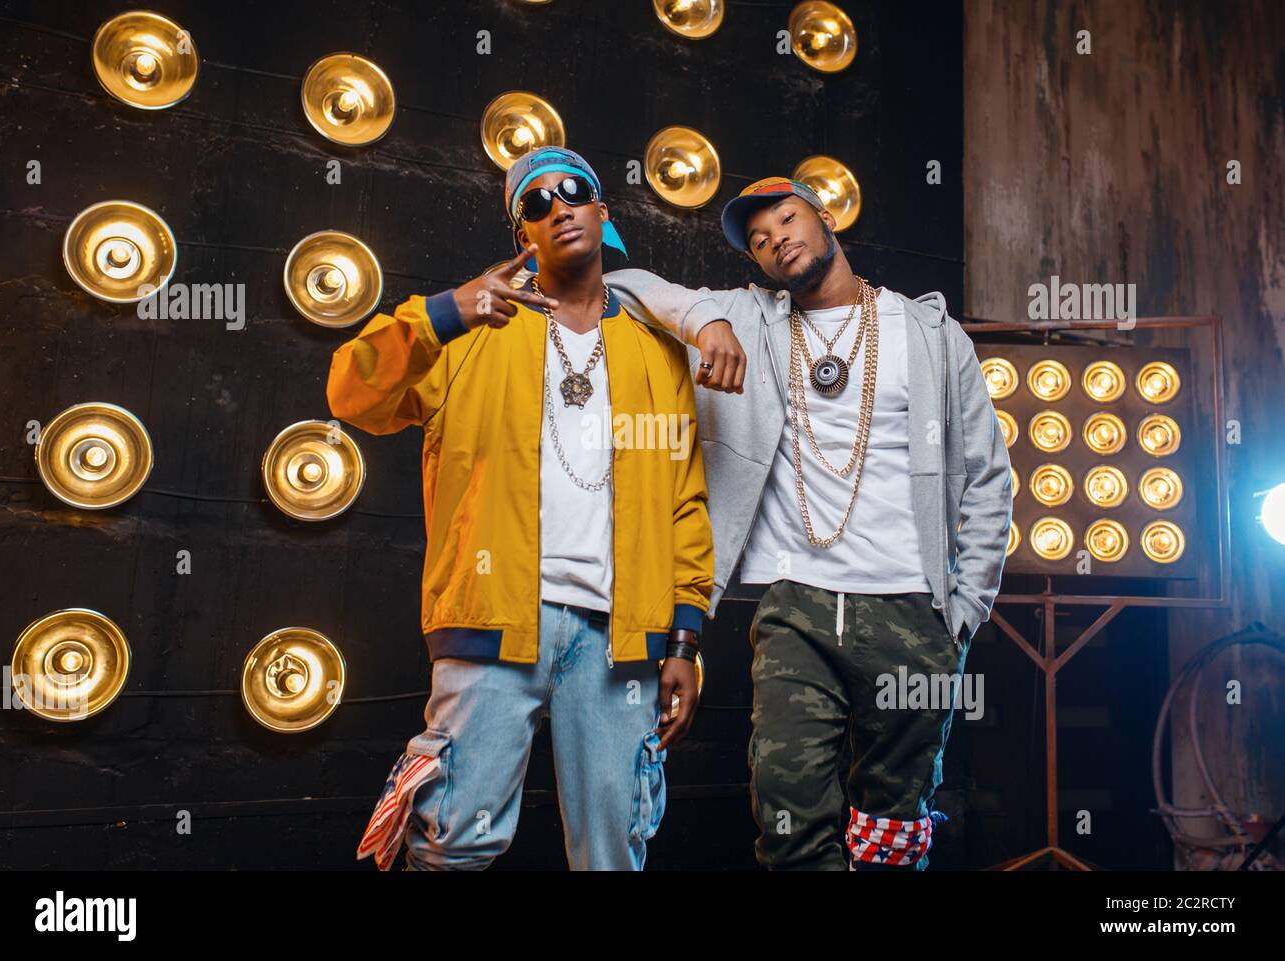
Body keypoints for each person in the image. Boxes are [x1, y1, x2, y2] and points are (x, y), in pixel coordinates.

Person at [605, 176, 1012, 870]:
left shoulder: (929, 335)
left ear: (825, 218)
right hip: (796, 606)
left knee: (892, 830)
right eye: (759, 241)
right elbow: (624, 283)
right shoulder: (752, 319)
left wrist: (966, 609)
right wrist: (706, 320)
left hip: (915, 609)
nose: (776, 240)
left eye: (787, 219)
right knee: (787, 818)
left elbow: (989, 475)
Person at [329, 147, 712, 871]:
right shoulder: (472, 331)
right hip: (493, 621)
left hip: (618, 639)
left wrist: (685, 639)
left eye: (574, 191)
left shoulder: (656, 353)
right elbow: (353, 393)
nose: (558, 206)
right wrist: (444, 312)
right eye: (535, 204)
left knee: (614, 852)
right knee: (453, 846)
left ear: (604, 212)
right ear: (522, 238)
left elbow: (685, 501)